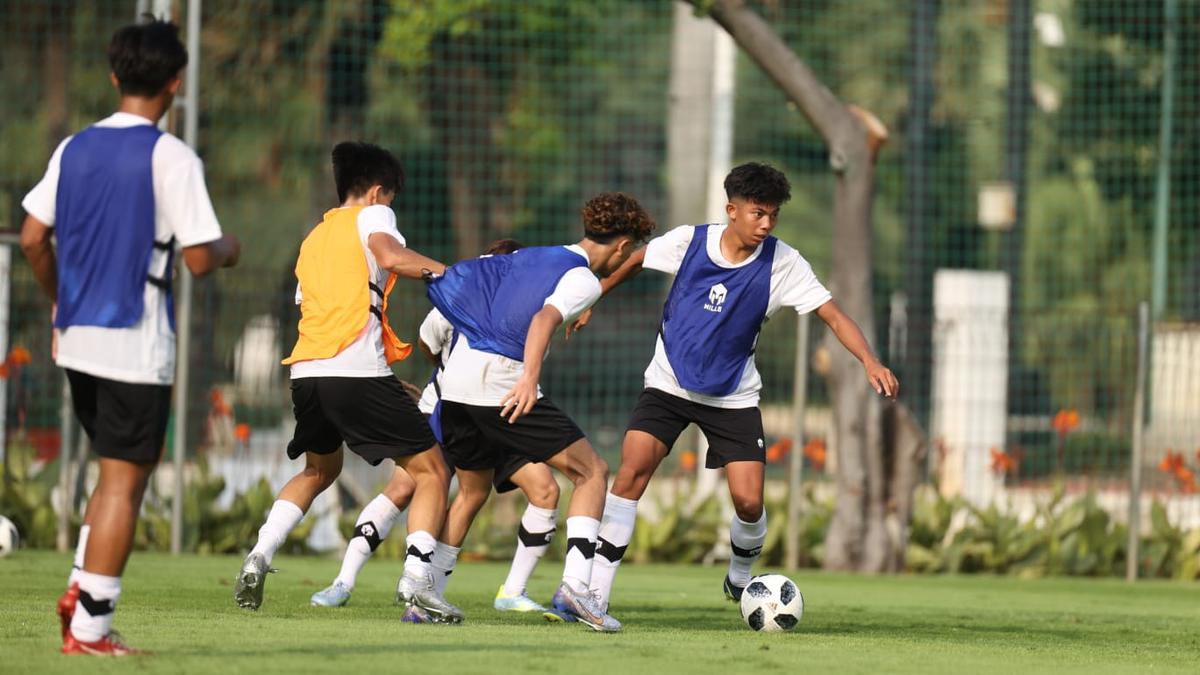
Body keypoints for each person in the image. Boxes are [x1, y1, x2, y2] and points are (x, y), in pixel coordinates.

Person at [582, 162, 898, 611]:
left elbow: (832, 313)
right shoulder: (690, 241)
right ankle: (595, 594)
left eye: (773, 215)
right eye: (758, 213)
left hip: (732, 395)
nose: (767, 224)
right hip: (668, 384)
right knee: (631, 473)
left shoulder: (784, 262)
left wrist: (869, 360)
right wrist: (592, 298)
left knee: (749, 503)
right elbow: (635, 258)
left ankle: (740, 573)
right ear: (732, 210)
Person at [20, 19, 241, 656]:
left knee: (112, 475)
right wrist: (230, 248)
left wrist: (59, 296)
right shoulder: (171, 156)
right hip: (134, 339)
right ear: (177, 82)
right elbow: (199, 258)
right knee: (124, 482)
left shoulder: (73, 147)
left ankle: (79, 593)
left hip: (77, 337)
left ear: (115, 76)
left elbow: (33, 237)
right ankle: (90, 629)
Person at [233, 141, 463, 624]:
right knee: (433, 472)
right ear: (378, 192)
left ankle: (259, 554)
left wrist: (385, 379)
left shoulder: (315, 238)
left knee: (320, 470)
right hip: (353, 372)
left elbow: (328, 313)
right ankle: (418, 583)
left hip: (308, 374)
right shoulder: (374, 217)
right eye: (392, 198)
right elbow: (392, 256)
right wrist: (452, 275)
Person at [424, 193, 656, 632]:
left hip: (454, 386)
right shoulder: (582, 277)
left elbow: (488, 286)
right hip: (503, 383)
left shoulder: (533, 255)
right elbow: (544, 319)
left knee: (471, 491)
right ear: (622, 246)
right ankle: (575, 587)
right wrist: (529, 377)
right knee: (592, 471)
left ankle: (426, 592)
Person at [308, 240, 563, 616]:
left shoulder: (529, 298)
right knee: (404, 487)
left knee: (537, 490)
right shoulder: (468, 288)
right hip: (448, 407)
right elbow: (430, 341)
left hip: (506, 409)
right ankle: (343, 580)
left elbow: (434, 342)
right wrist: (447, 373)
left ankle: (489, 592)